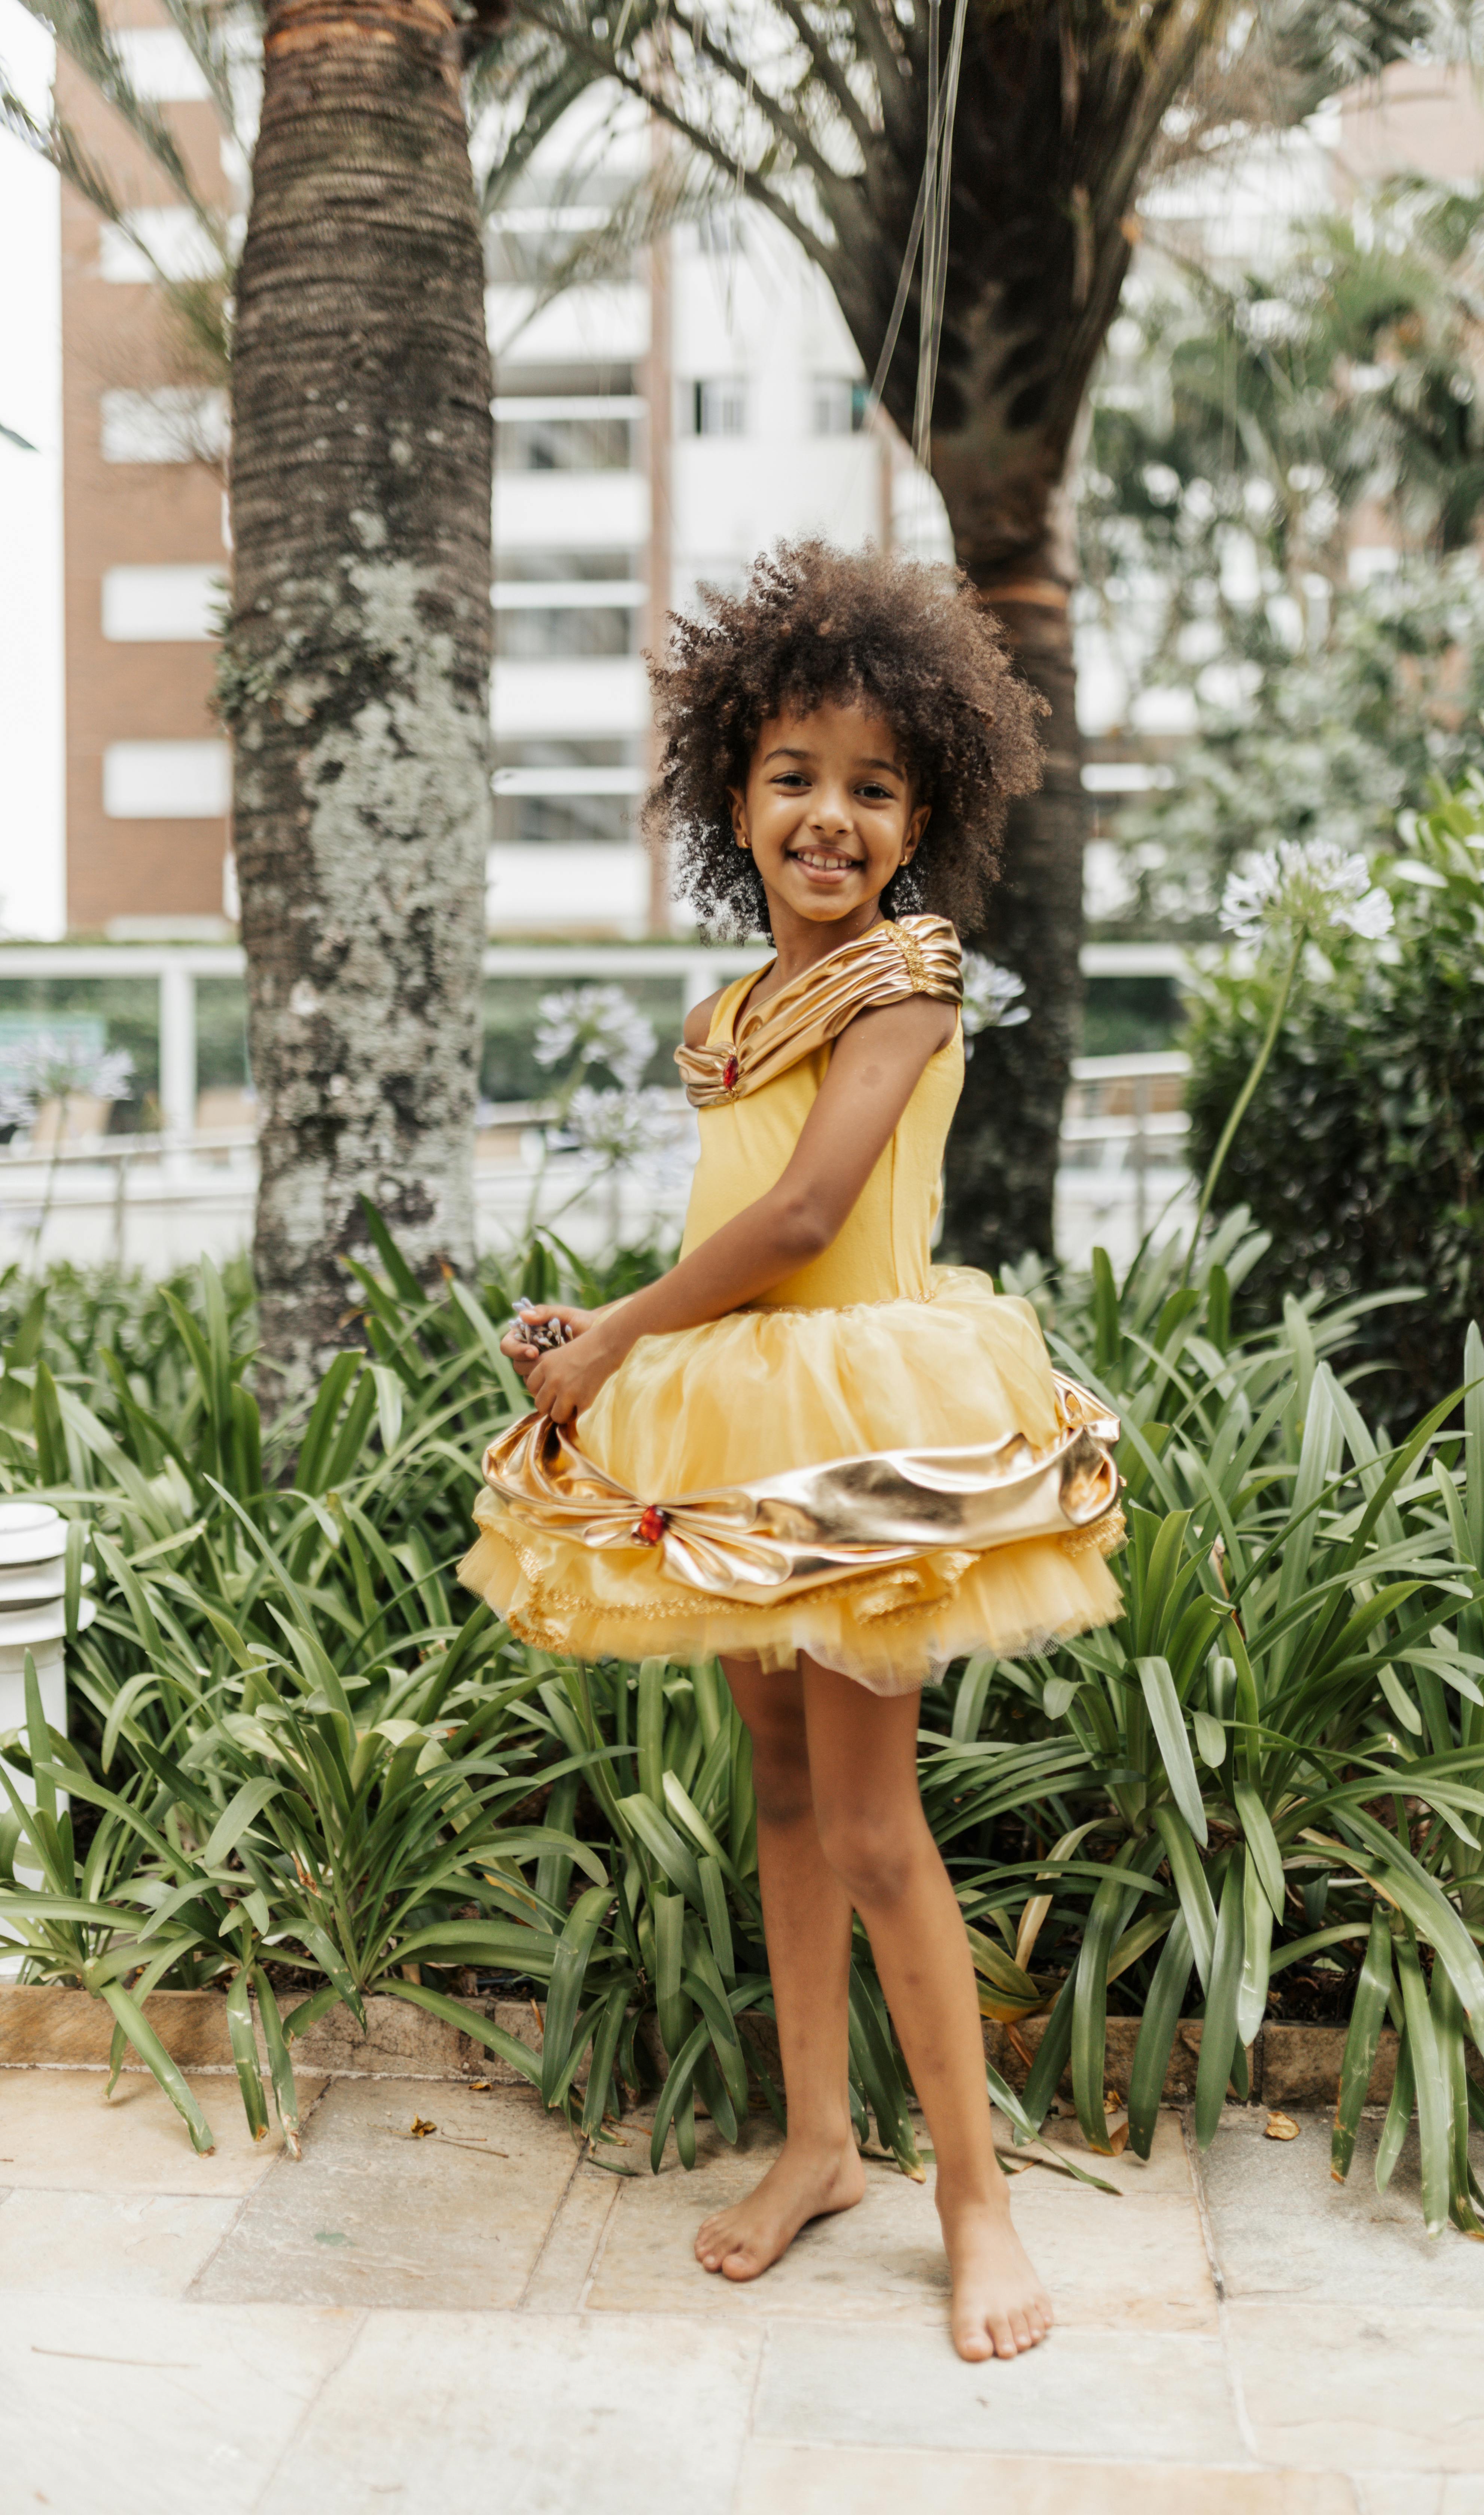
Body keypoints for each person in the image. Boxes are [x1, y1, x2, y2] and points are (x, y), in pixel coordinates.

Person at [461, 539, 1124, 2363]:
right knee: (775, 1789)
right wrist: (595, 1343)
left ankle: (975, 2206)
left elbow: (819, 1209)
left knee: (873, 1823)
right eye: (792, 779)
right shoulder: (734, 1013)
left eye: (871, 788)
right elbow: (738, 1217)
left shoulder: (908, 973)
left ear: (920, 816)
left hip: (861, 1436)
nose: (827, 817)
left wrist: (610, 1342)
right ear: (729, 798)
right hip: (746, 1422)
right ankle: (819, 2143)